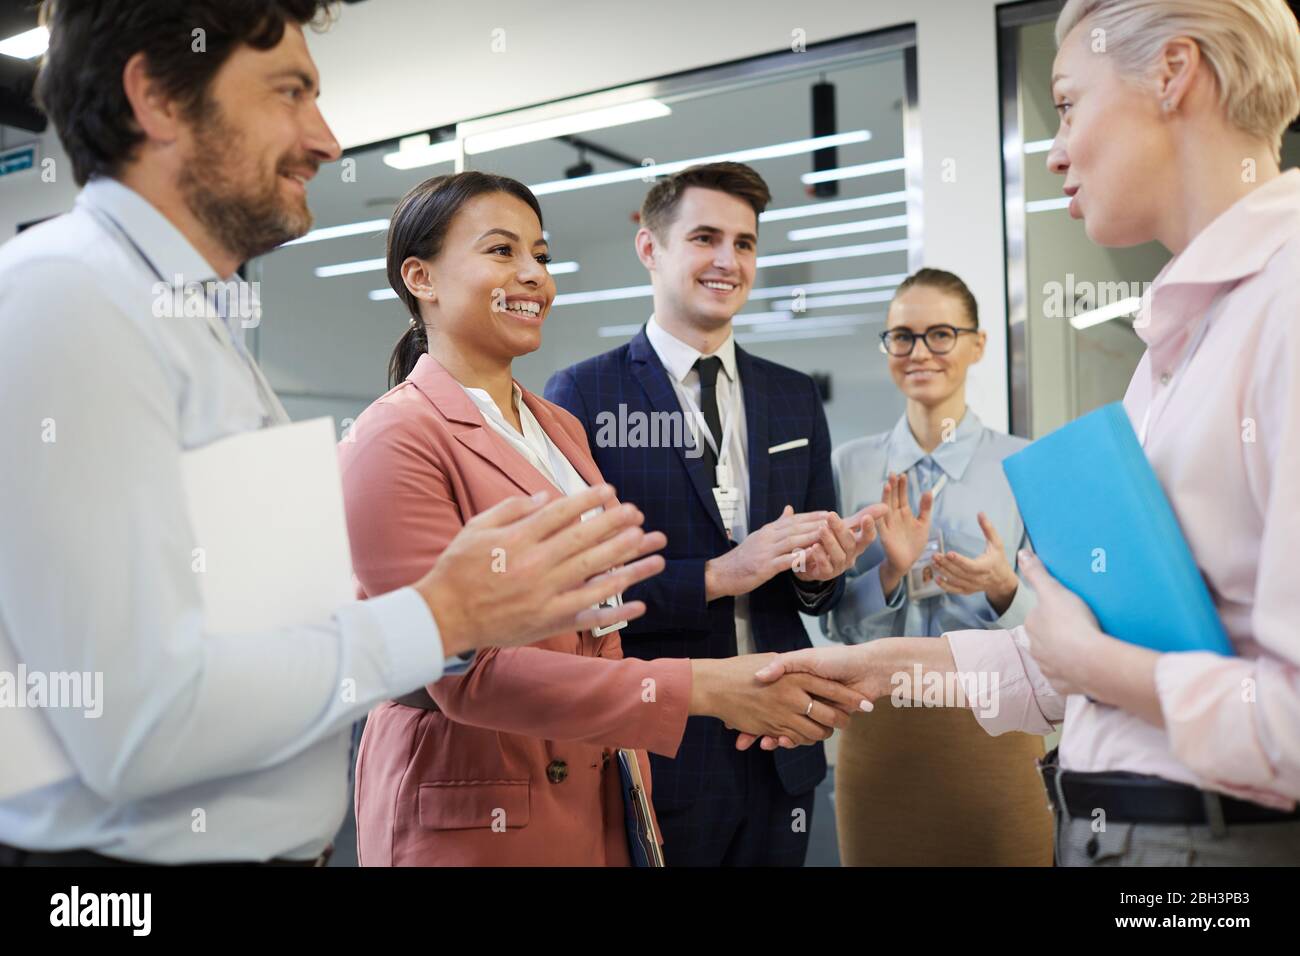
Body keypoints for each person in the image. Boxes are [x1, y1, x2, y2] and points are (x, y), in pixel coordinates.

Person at [0, 0, 664, 867]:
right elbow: (129, 723)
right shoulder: (72, 299)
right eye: (290, 94)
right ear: (157, 98)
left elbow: (257, 651)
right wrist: (442, 613)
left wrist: (444, 623)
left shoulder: (196, 327)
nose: (325, 140)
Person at [753, 0, 1300, 866]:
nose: (1052, 150)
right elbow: (1062, 667)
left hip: (1214, 851)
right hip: (1113, 830)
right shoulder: (1175, 348)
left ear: (1173, 72)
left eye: (1070, 103)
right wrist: (882, 668)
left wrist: (1088, 656)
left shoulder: (1286, 308)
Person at [341, 171, 869, 866]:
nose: (532, 275)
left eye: (542, 255)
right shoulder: (394, 437)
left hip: (602, 780)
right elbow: (457, 673)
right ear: (422, 278)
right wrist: (702, 686)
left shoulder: (555, 429)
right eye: (502, 252)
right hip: (478, 801)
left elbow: (601, 623)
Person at [546, 162, 878, 866]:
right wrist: (716, 576)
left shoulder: (790, 397)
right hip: (664, 743)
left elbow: (809, 587)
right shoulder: (582, 394)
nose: (729, 261)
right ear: (650, 249)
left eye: (746, 243)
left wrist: (821, 573)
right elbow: (577, 595)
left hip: (781, 743)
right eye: (705, 238)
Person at [819, 268, 1053, 866]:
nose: (920, 352)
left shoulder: (1027, 465)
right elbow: (834, 627)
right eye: (902, 336)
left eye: (941, 334)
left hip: (997, 735)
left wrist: (1006, 591)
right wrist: (889, 577)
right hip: (878, 740)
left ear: (977, 345)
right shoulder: (848, 465)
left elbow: (1061, 630)